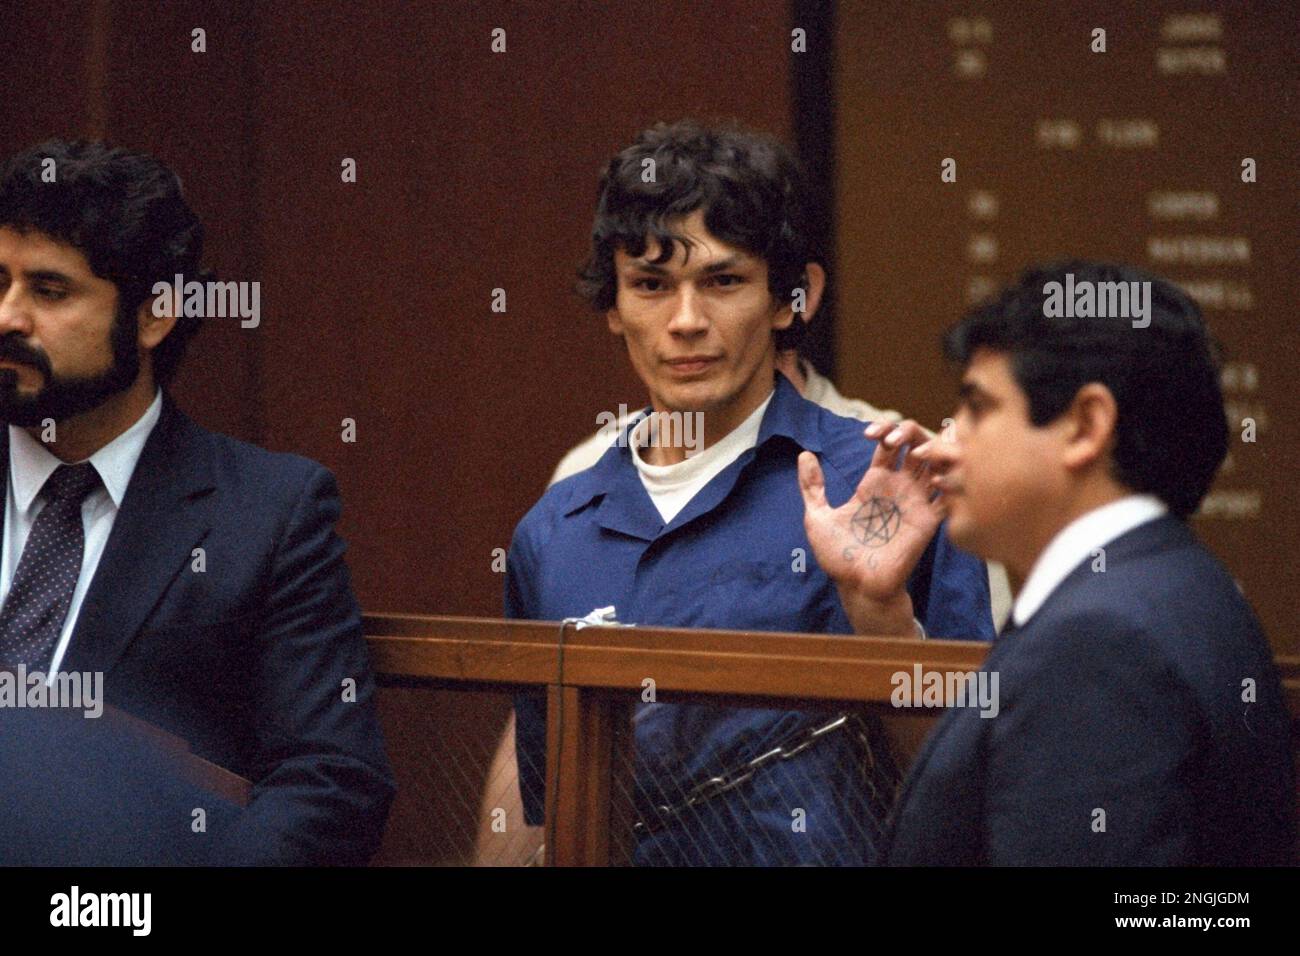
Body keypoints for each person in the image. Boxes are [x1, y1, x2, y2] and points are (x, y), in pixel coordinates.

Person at [504, 119, 993, 866]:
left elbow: (969, 794)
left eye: (724, 281)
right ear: (613, 306)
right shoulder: (554, 529)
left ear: (793, 297)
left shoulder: (888, 485)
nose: (687, 322)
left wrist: (882, 622)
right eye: (650, 285)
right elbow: (555, 820)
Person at [804, 261, 1295, 864]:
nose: (947, 446)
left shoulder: (1100, 643)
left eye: (980, 409)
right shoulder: (1171, 583)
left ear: (1086, 426)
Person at [0, 140, 395, 865]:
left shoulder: (269, 514)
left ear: (155, 316)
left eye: (49, 291)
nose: (7, 317)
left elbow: (331, 782)